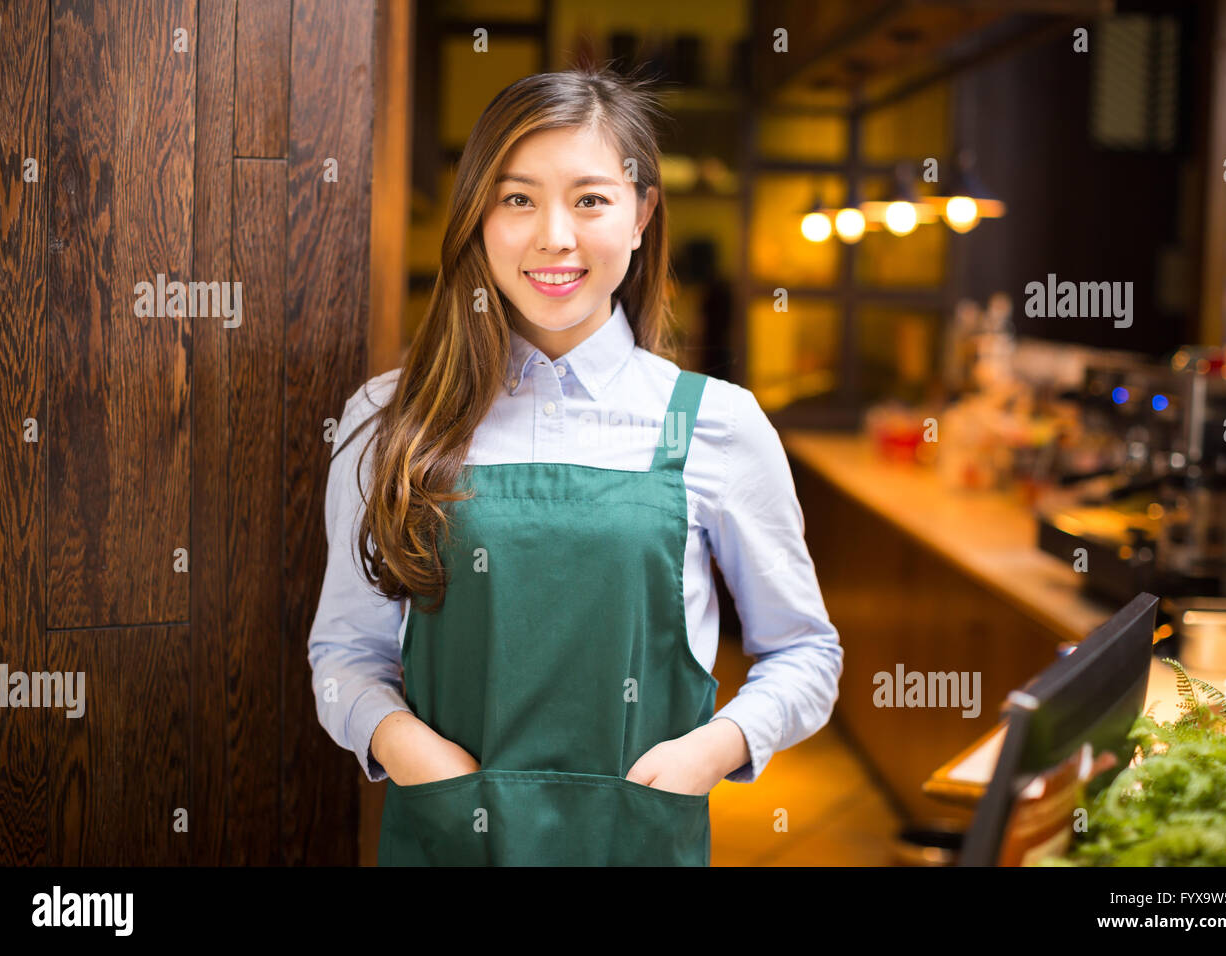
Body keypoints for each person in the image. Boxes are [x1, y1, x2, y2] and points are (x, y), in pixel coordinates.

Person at [307, 67, 843, 866]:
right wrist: (423, 758)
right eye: (517, 198)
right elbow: (345, 655)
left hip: (636, 840)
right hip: (452, 835)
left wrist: (714, 749)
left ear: (641, 214)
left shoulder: (717, 424)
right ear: (477, 218)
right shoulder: (392, 418)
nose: (554, 236)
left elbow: (806, 654)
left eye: (591, 199)